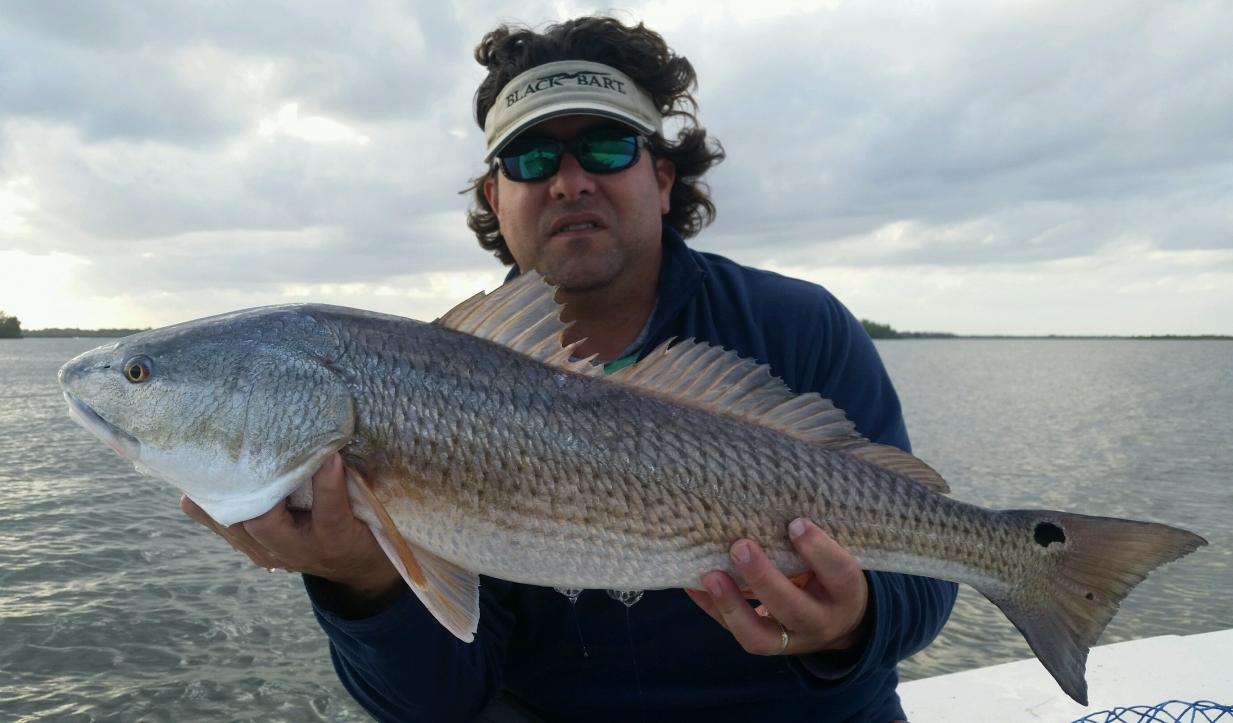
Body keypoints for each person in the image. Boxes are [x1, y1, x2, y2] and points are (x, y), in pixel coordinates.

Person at [181, 16, 957, 722]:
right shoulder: (427, 381)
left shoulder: (798, 326)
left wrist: (854, 620)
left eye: (607, 146)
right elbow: (438, 704)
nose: (569, 178)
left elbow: (930, 572)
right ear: (495, 193)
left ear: (661, 177)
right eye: (531, 155)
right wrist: (361, 580)